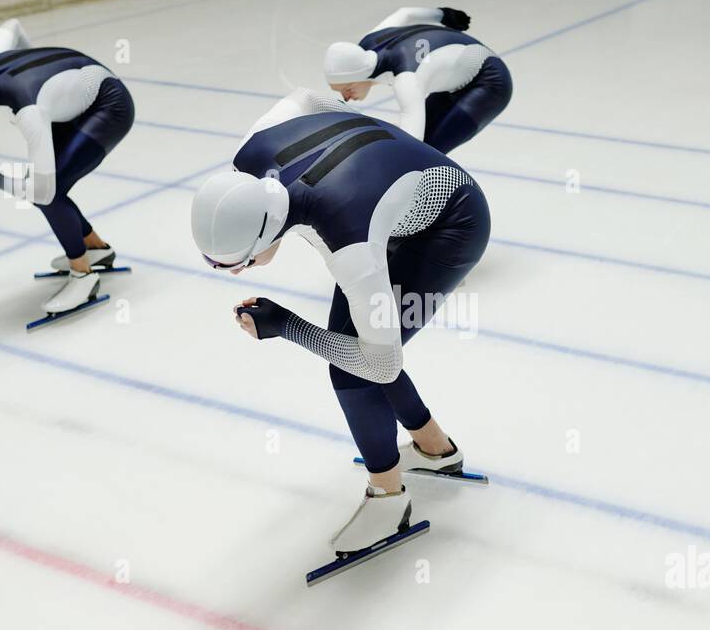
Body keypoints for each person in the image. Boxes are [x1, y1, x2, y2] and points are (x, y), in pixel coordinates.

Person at [190, 89, 491, 554]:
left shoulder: (349, 245)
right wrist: (369, 137)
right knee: (356, 343)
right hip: (392, 202)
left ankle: (388, 498)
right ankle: (435, 449)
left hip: (450, 226)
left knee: (352, 369)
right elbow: (305, 97)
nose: (237, 273)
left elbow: (381, 364)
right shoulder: (250, 151)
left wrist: (288, 326)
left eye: (238, 264)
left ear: (264, 234)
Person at [0, 18, 135, 316]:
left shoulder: (30, 111)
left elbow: (43, 192)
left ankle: (83, 275)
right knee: (44, 181)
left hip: (110, 107)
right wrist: (46, 82)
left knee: (47, 190)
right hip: (76, 101)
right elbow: (12, 26)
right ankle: (96, 248)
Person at [323, 6, 513, 154]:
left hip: (490, 83)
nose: (345, 97)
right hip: (457, 78)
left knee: (428, 152)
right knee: (417, 147)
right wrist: (444, 14)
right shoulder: (368, 43)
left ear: (358, 75)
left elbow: (414, 142)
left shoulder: (407, 78)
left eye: (346, 88)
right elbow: (405, 13)